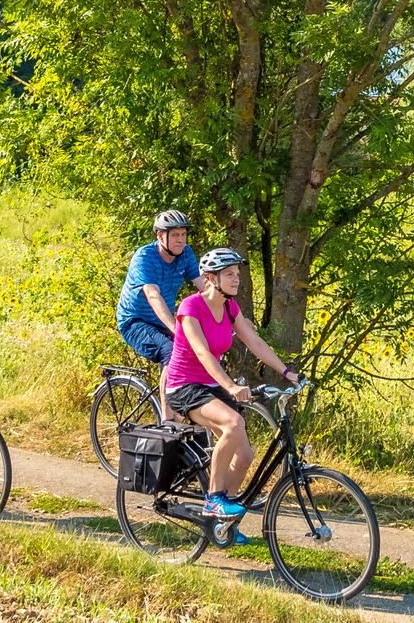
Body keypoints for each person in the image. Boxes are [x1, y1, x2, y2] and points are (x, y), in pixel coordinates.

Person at [163, 246, 299, 525]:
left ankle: (223, 524)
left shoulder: (229, 306)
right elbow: (202, 353)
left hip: (210, 386)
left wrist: (287, 372)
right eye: (229, 274)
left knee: (246, 455)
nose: (237, 279)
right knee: (234, 424)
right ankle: (214, 500)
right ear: (211, 278)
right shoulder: (190, 307)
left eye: (237, 273)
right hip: (185, 387)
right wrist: (230, 386)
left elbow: (256, 342)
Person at [116, 209, 200, 377]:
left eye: (183, 235)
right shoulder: (145, 257)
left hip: (162, 320)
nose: (181, 240)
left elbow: (206, 287)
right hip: (135, 321)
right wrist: (177, 330)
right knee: (170, 352)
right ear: (160, 235)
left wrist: (236, 318)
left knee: (200, 349)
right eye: (175, 235)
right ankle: (166, 404)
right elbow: (153, 296)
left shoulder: (186, 254)